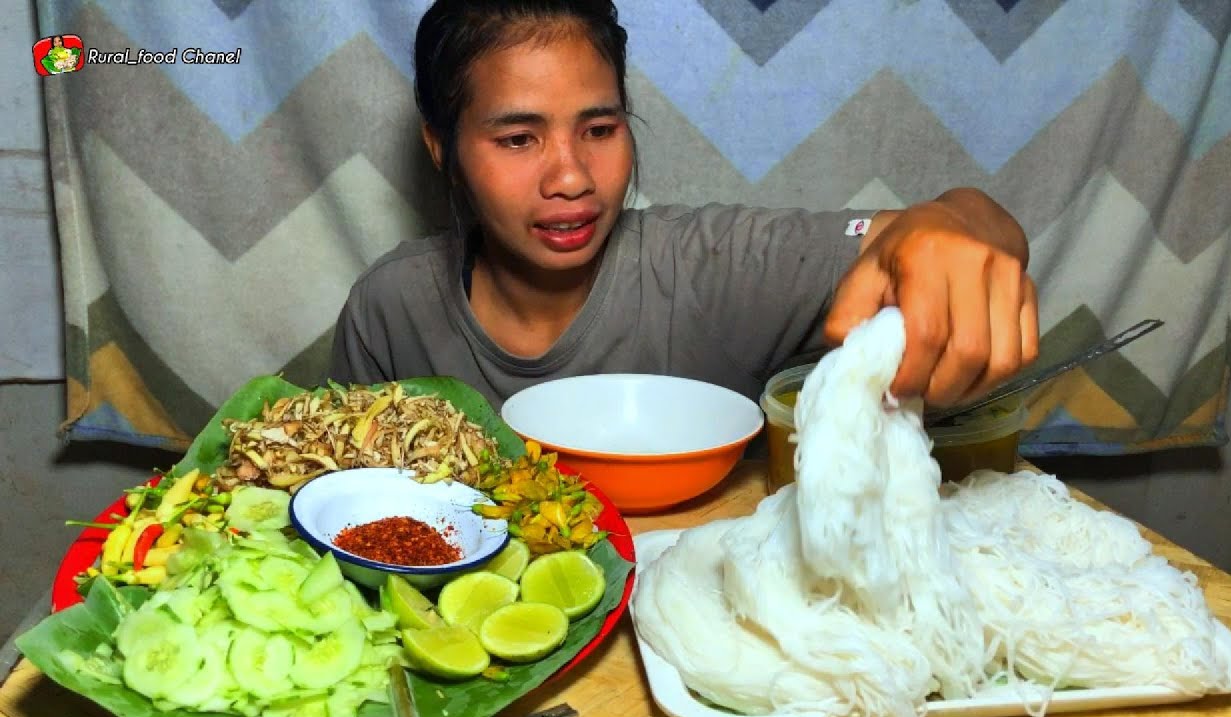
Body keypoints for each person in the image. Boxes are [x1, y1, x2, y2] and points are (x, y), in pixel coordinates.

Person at [329, 0, 1038, 413]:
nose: (571, 177)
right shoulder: (391, 311)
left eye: (600, 129)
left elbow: (939, 230)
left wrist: (954, 221)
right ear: (442, 147)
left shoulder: (710, 269)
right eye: (519, 138)